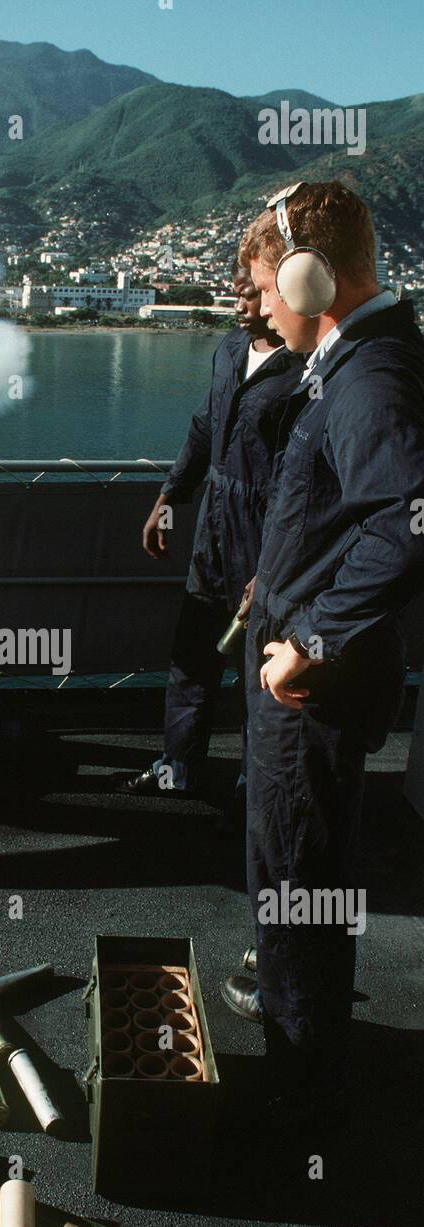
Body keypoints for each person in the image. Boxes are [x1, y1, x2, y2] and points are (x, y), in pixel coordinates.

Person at [221, 181, 424, 1129]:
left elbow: (406, 526)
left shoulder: (371, 376)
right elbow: (344, 518)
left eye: (264, 285)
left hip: (310, 689)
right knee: (310, 869)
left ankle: (300, 1089)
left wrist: (309, 640)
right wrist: (280, 582)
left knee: (299, 868)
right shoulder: (355, 363)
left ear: (310, 280)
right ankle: (303, 1021)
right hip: (310, 668)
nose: (256, 306)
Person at [118, 264, 304, 803]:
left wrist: (272, 568)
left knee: (257, 675)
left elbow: (305, 483)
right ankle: (177, 767)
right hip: (213, 528)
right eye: (238, 295)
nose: (242, 306)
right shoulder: (228, 351)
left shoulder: (305, 369)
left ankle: (254, 790)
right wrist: (168, 499)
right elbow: (204, 428)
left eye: (252, 296)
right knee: (192, 658)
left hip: (265, 534)